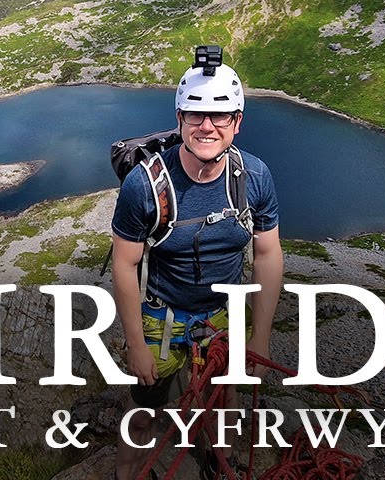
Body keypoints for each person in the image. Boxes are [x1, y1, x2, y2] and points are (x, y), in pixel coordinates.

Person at [110, 50, 282, 480]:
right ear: (180, 118)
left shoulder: (254, 177)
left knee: (224, 407)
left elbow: (267, 253)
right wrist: (135, 344)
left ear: (237, 122)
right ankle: (126, 475)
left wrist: (259, 339)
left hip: (222, 315)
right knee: (144, 412)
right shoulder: (145, 186)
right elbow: (125, 263)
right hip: (161, 314)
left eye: (221, 116)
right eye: (196, 115)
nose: (208, 126)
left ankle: (215, 467)